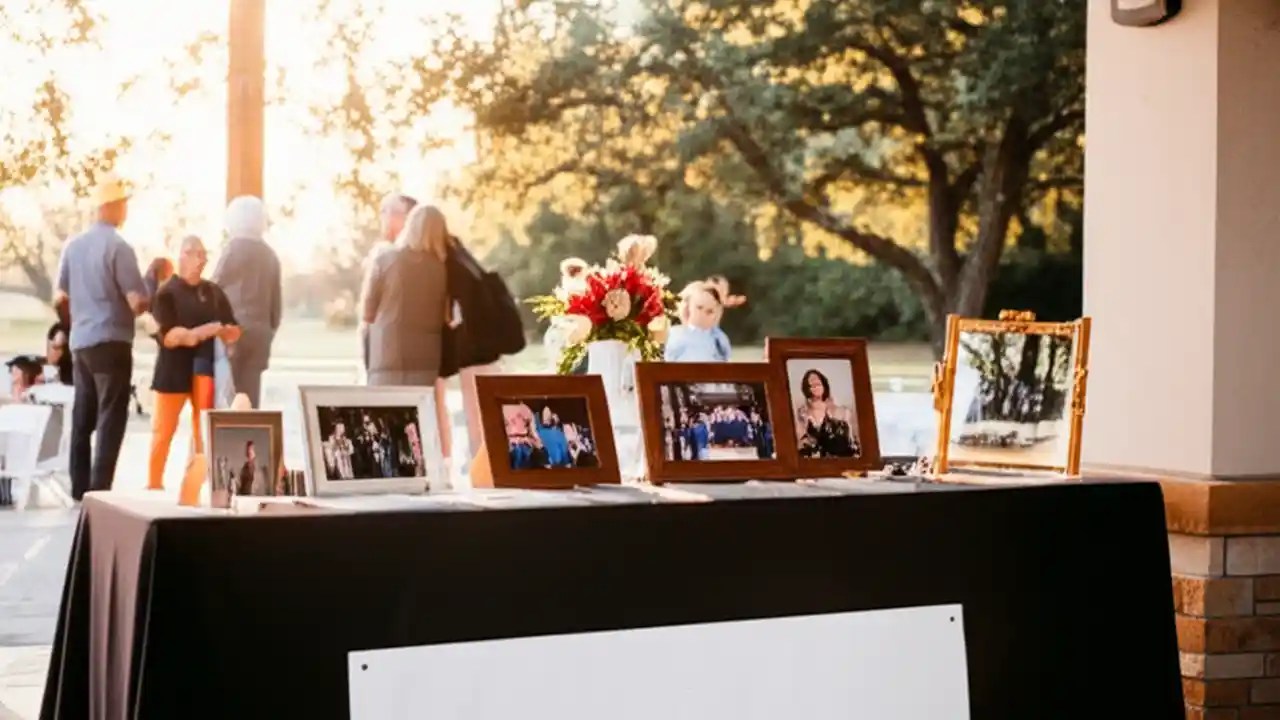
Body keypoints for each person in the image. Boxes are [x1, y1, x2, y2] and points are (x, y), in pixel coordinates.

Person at [54, 173, 150, 500]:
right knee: (111, 416)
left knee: (83, 418)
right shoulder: (119, 247)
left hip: (81, 344)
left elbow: (60, 298)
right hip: (112, 341)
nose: (125, 210)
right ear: (111, 206)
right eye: (123, 204)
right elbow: (136, 302)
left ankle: (79, 488)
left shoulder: (73, 247)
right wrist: (151, 289)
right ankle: (100, 491)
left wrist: (75, 325)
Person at [148, 236, 241, 490]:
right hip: (172, 373)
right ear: (183, 255)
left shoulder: (213, 292)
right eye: (198, 255)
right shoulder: (166, 294)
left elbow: (233, 329)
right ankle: (153, 485)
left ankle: (194, 489)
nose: (202, 261)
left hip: (205, 370)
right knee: (163, 433)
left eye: (205, 255)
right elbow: (171, 337)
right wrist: (206, 330)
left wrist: (227, 332)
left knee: (204, 433)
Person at [362, 204, 448, 386]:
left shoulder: (384, 259)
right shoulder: (443, 269)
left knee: (383, 404)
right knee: (419, 405)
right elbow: (446, 316)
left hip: (385, 357)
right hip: (426, 361)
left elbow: (368, 313)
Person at [212, 196, 281, 408]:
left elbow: (214, 287)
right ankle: (251, 428)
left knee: (229, 394)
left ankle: (230, 428)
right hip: (260, 333)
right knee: (251, 395)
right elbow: (276, 306)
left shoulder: (232, 250)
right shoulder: (270, 256)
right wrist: (268, 331)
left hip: (233, 332)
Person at [794, 368, 861, 459]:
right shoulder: (801, 414)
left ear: (824, 385)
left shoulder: (842, 412)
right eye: (812, 385)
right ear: (807, 388)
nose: (816, 388)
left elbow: (852, 440)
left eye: (818, 384)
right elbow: (799, 442)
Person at [665, 283, 731, 362]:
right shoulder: (675, 334)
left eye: (710, 311)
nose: (703, 314)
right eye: (699, 308)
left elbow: (726, 360)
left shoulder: (718, 338)